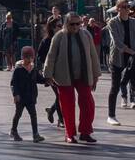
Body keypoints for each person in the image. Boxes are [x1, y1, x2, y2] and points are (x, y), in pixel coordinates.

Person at [43, 13, 102, 144]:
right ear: (66, 24)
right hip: (64, 76)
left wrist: (96, 74)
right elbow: (51, 56)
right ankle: (70, 134)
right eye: (72, 24)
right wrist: (48, 75)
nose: (75, 26)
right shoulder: (59, 37)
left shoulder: (86, 35)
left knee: (88, 104)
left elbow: (93, 55)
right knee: (67, 106)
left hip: (84, 75)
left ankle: (85, 132)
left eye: (78, 23)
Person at [10, 45, 46, 142]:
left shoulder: (33, 68)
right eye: (27, 57)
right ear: (23, 57)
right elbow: (13, 83)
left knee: (33, 115)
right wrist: (15, 94)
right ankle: (13, 130)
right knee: (18, 114)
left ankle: (35, 134)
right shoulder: (18, 69)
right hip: (20, 97)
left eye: (31, 57)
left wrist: (47, 81)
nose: (29, 59)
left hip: (31, 96)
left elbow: (38, 79)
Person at [37, 17, 63, 127]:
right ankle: (61, 120)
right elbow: (40, 56)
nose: (61, 28)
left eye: (62, 25)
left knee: (61, 95)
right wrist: (47, 67)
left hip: (62, 71)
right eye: (59, 26)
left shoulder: (63, 38)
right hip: (51, 73)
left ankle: (52, 110)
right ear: (52, 28)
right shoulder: (46, 41)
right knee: (59, 95)